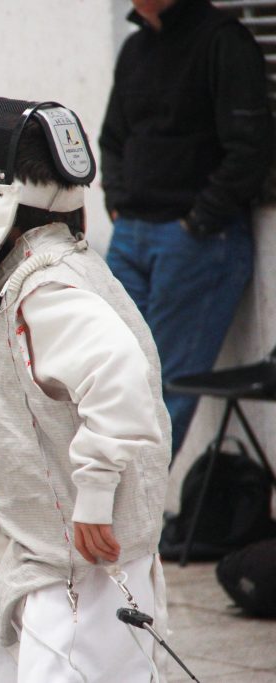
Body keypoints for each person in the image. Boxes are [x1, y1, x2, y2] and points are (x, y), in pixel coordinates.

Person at [0, 98, 171, 681]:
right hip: (61, 547)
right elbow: (74, 371)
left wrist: (94, 497)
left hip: (84, 556)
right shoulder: (66, 264)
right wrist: (13, 382)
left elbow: (120, 376)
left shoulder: (45, 288)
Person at [100, 0, 274, 458]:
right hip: (130, 236)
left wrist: (197, 221)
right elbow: (112, 139)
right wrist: (117, 204)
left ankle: (128, 522)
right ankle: (106, 515)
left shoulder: (223, 40)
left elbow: (250, 147)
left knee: (160, 394)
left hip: (194, 243)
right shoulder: (136, 48)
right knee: (108, 381)